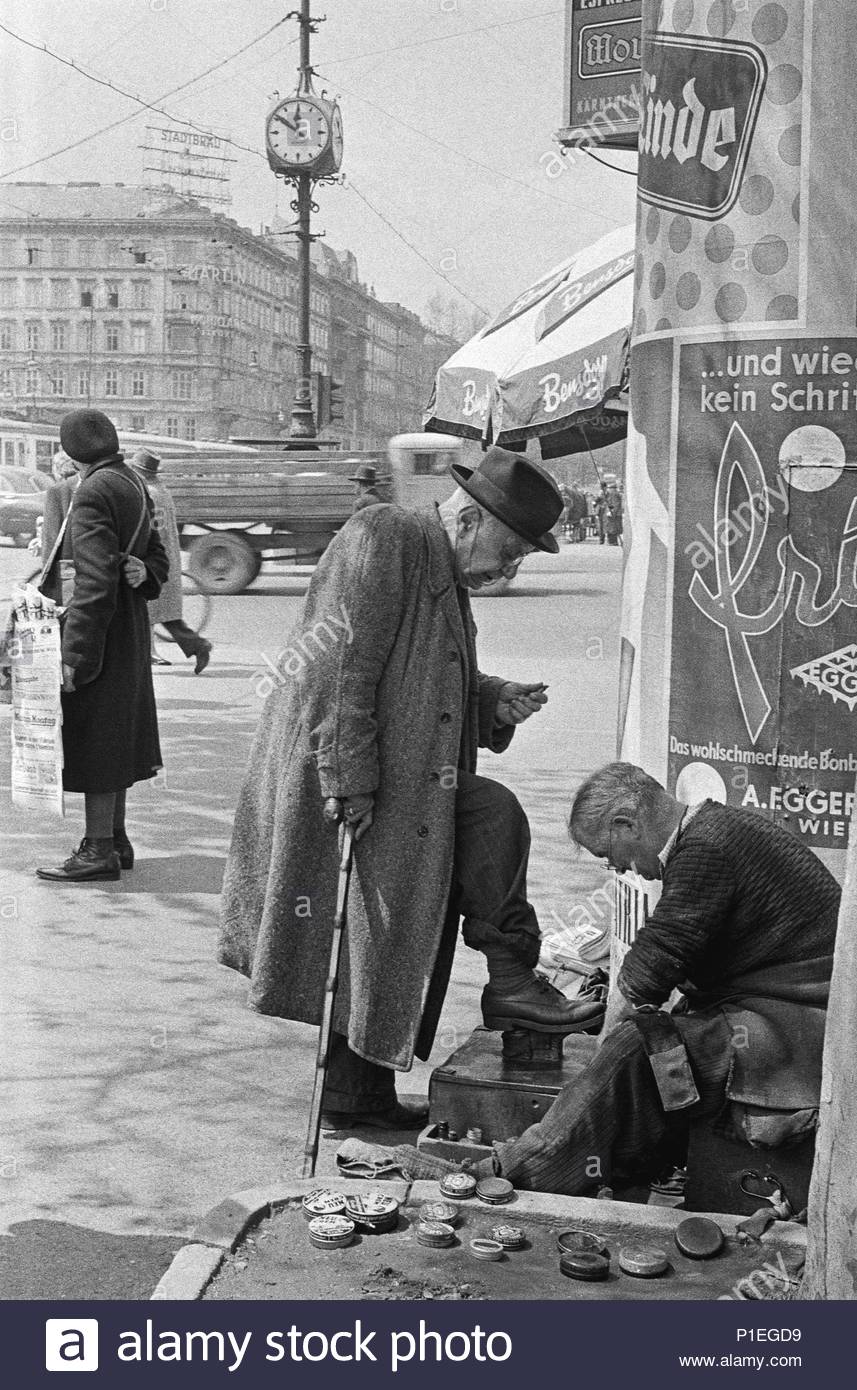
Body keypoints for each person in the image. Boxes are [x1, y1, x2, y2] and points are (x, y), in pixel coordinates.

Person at [218, 446, 604, 1131]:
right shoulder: (386, 535)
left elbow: (417, 671)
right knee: (388, 902)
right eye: (510, 548)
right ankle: (507, 984)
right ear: (466, 522)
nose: (508, 567)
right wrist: (349, 782)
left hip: (392, 772)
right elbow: (343, 668)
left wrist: (490, 700)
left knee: (391, 917)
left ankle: (362, 1088)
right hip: (342, 772)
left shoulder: (438, 561)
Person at [360, 763, 839, 1192]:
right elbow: (673, 956)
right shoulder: (715, 829)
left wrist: (610, 1045)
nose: (613, 866)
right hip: (789, 1011)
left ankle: (510, 1172)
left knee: (635, 1046)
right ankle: (626, 1160)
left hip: (803, 1029)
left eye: (606, 851)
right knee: (650, 1039)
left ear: (627, 823)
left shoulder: (707, 847)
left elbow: (653, 962)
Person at [36, 410, 169, 882]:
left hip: (101, 627)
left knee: (96, 735)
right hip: (129, 622)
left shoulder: (91, 489)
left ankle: (97, 851)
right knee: (116, 733)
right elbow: (157, 553)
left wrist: (76, 657)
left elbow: (92, 582)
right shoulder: (131, 479)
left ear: (71, 452)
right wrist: (145, 572)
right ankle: (116, 838)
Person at [130, 449, 211, 674]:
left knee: (147, 609)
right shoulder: (162, 490)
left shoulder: (145, 493)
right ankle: (184, 647)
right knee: (162, 612)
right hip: (167, 556)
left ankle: (191, 646)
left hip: (152, 558)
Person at [604, 482, 623, 547]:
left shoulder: (613, 494)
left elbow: (615, 504)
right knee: (613, 528)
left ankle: (613, 542)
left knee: (612, 528)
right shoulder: (614, 493)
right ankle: (612, 541)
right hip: (615, 513)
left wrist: (612, 512)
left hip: (614, 514)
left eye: (609, 488)